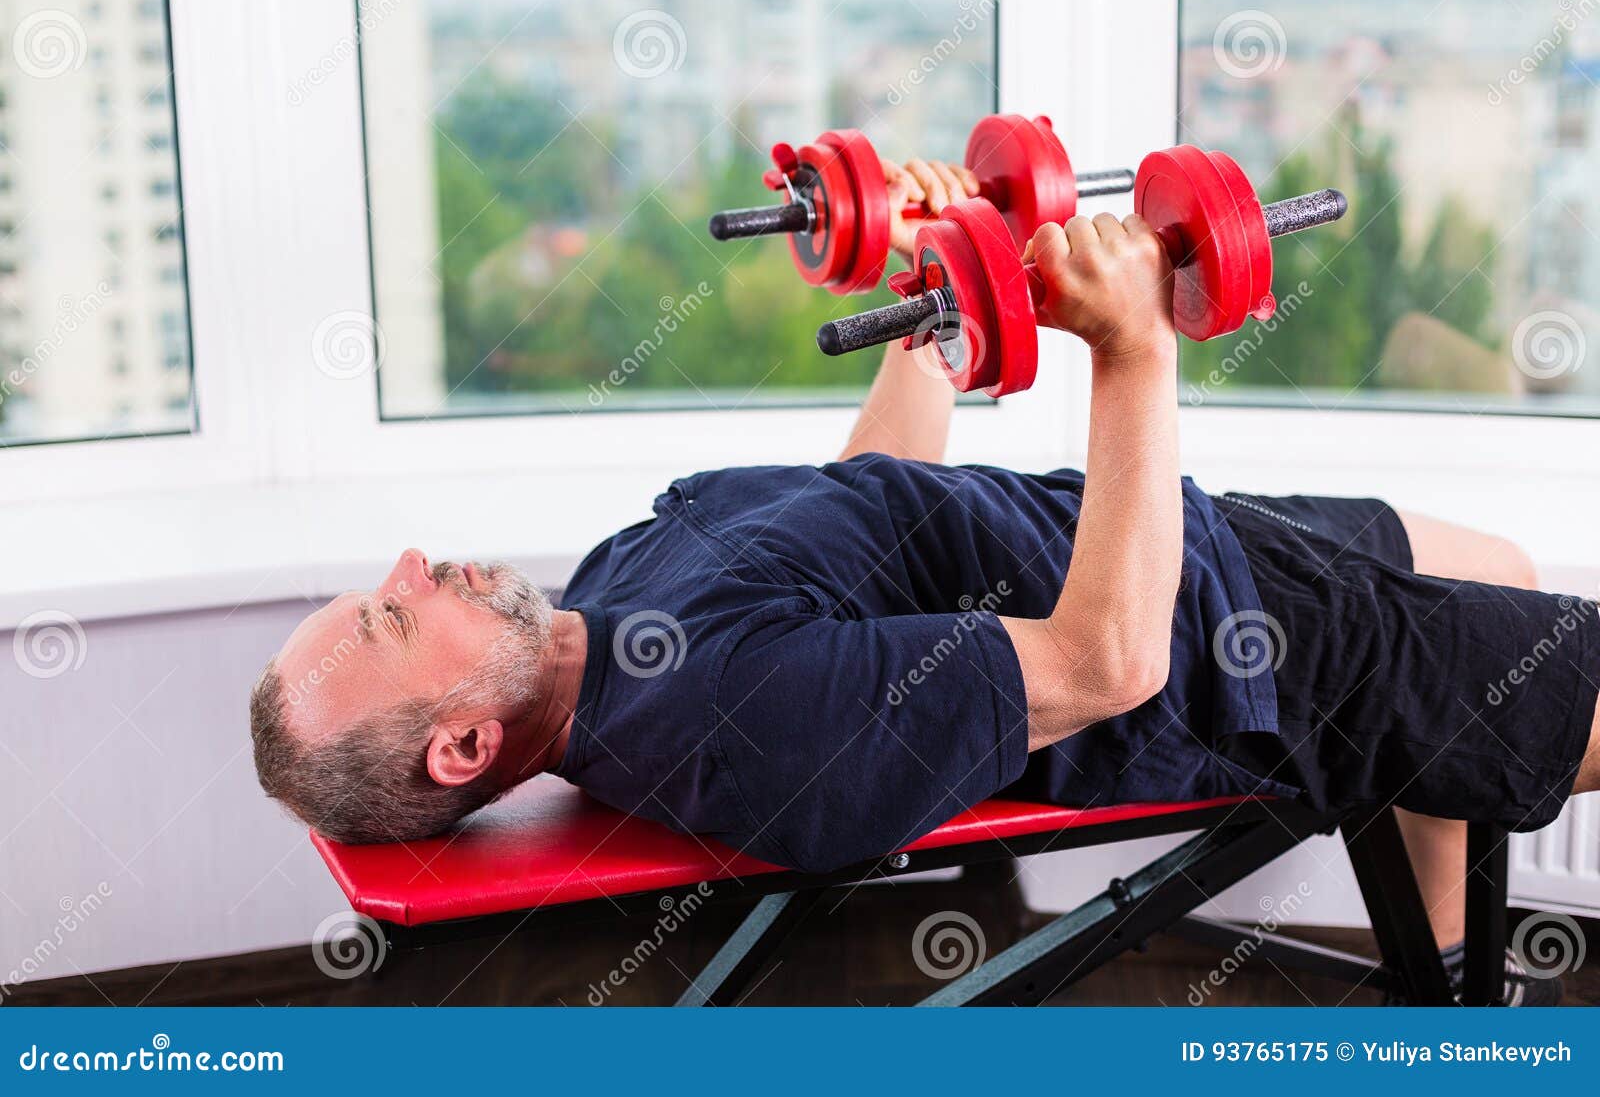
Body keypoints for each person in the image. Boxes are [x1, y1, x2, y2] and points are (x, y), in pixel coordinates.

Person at [251, 158, 1598, 1003]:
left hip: (1185, 539)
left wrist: (940, 298)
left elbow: (867, 505)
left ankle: (1448, 1006)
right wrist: (1131, 349)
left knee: (1504, 569)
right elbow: (1109, 663)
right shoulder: (733, 716)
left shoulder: (606, 599)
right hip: (1243, 651)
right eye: (391, 612)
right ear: (466, 742)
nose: (412, 565)